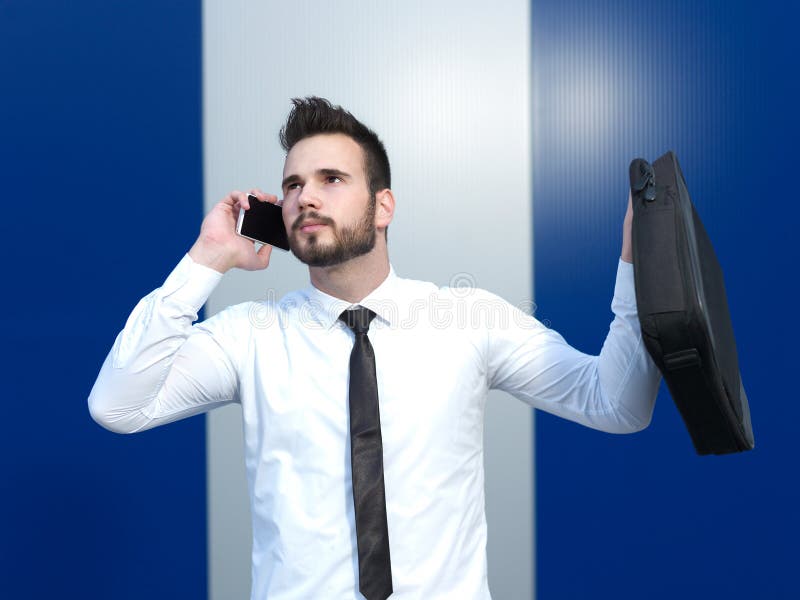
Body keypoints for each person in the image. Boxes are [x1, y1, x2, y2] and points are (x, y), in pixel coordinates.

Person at [89, 96, 661, 599]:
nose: (305, 197)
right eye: (292, 185)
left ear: (383, 206)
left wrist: (641, 265)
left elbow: (617, 404)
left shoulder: (467, 319)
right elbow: (117, 406)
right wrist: (206, 258)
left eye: (330, 179)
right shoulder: (249, 337)